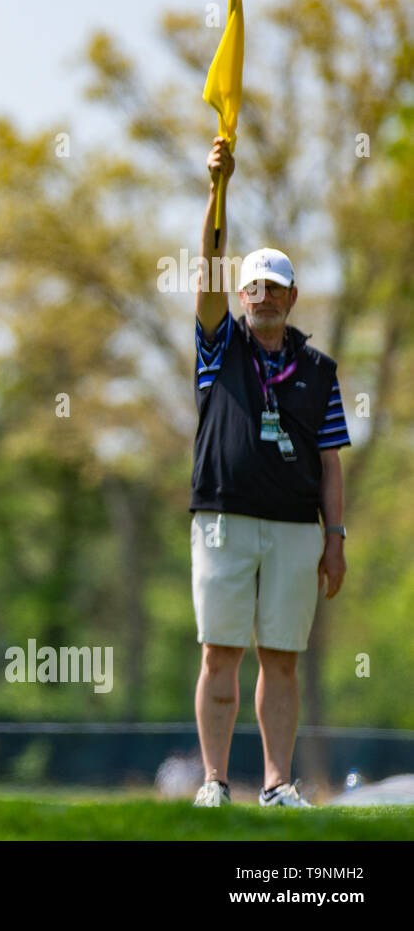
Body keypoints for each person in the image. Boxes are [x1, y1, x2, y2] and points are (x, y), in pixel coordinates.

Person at [190, 139, 349, 808]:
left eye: (272, 287)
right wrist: (216, 189)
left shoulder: (318, 370)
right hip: (223, 517)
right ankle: (215, 781)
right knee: (219, 653)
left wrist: (336, 537)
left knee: (281, 657)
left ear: (291, 295)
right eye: (251, 285)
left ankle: (278, 783)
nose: (259, 295)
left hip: (294, 528)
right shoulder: (219, 343)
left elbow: (330, 460)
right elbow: (208, 269)